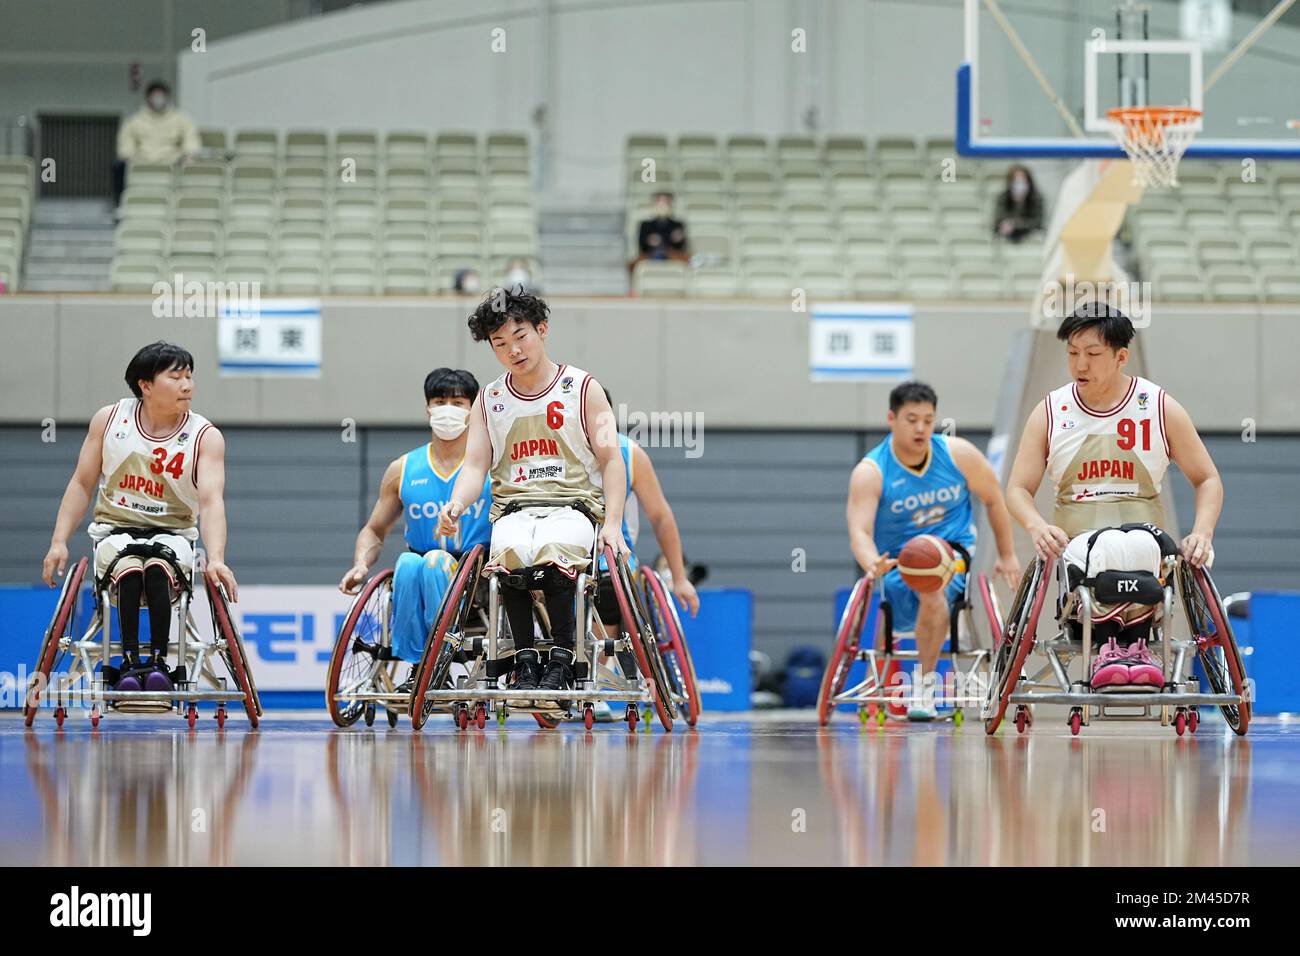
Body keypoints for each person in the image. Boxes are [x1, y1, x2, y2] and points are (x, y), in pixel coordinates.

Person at [1004, 302, 1222, 688]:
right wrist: (1036, 526)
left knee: (1139, 546)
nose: (1080, 364)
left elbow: (1207, 479)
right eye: (1073, 352)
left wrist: (1202, 533)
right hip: (1079, 544)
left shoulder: (1158, 406)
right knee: (1103, 550)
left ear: (1121, 357)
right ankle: (1114, 647)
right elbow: (1018, 488)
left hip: (1145, 538)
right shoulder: (1051, 411)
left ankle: (1131, 646)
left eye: (1092, 354)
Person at [437, 288, 627, 696]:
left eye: (520, 336)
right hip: (515, 509)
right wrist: (456, 503)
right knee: (508, 558)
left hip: (573, 506)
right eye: (500, 343)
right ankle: (525, 661)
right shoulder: (489, 399)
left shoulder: (583, 388)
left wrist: (612, 524)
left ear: (542, 329)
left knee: (554, 553)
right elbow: (475, 466)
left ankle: (561, 657)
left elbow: (612, 459)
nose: (513, 350)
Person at [41, 342, 236, 693]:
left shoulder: (206, 436)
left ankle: (159, 663)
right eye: (176, 377)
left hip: (174, 534)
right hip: (114, 532)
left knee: (158, 568)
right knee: (129, 568)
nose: (187, 385)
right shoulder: (109, 420)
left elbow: (211, 502)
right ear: (145, 385)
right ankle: (129, 663)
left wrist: (217, 558)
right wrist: (59, 541)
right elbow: (82, 484)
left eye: (189, 377)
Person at [846, 381, 1022, 720]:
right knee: (915, 584)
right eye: (912, 419)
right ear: (892, 419)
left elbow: (994, 499)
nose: (921, 428)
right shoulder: (871, 472)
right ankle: (879, 677)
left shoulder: (959, 455)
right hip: (898, 563)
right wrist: (871, 562)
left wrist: (1007, 554)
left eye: (928, 420)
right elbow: (859, 531)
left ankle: (924, 688)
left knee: (932, 583)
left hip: (953, 557)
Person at [338, 369, 492, 688]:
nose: (447, 409)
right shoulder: (403, 469)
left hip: (478, 575)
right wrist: (360, 564)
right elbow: (374, 529)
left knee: (435, 562)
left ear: (473, 409)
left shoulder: (490, 465)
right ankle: (418, 665)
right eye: (439, 401)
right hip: (420, 568)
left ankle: (437, 663)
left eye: (458, 403)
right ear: (427, 409)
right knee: (407, 563)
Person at [114, 80, 201, 210]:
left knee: (193, 167)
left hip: (172, 161)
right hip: (141, 161)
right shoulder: (135, 120)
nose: (158, 100)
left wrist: (189, 154)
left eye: (160, 96)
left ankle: (183, 206)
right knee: (118, 166)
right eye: (155, 96)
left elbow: (191, 138)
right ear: (148, 98)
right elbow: (126, 142)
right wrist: (128, 155)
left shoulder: (180, 119)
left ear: (167, 97)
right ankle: (120, 205)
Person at [630, 192, 689, 274]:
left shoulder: (677, 224)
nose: (662, 206)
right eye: (660, 202)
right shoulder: (645, 224)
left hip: (672, 254)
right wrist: (649, 241)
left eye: (665, 203)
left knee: (687, 261)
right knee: (633, 264)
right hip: (650, 254)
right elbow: (641, 244)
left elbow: (682, 246)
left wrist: (677, 240)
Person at [992, 164, 1044, 242]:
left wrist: (1015, 225)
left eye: (1022, 180)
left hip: (1029, 236)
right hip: (1007, 237)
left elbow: (1037, 222)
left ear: (1028, 181)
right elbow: (999, 219)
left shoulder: (1036, 198)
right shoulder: (1003, 197)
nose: (1019, 184)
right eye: (1015, 180)